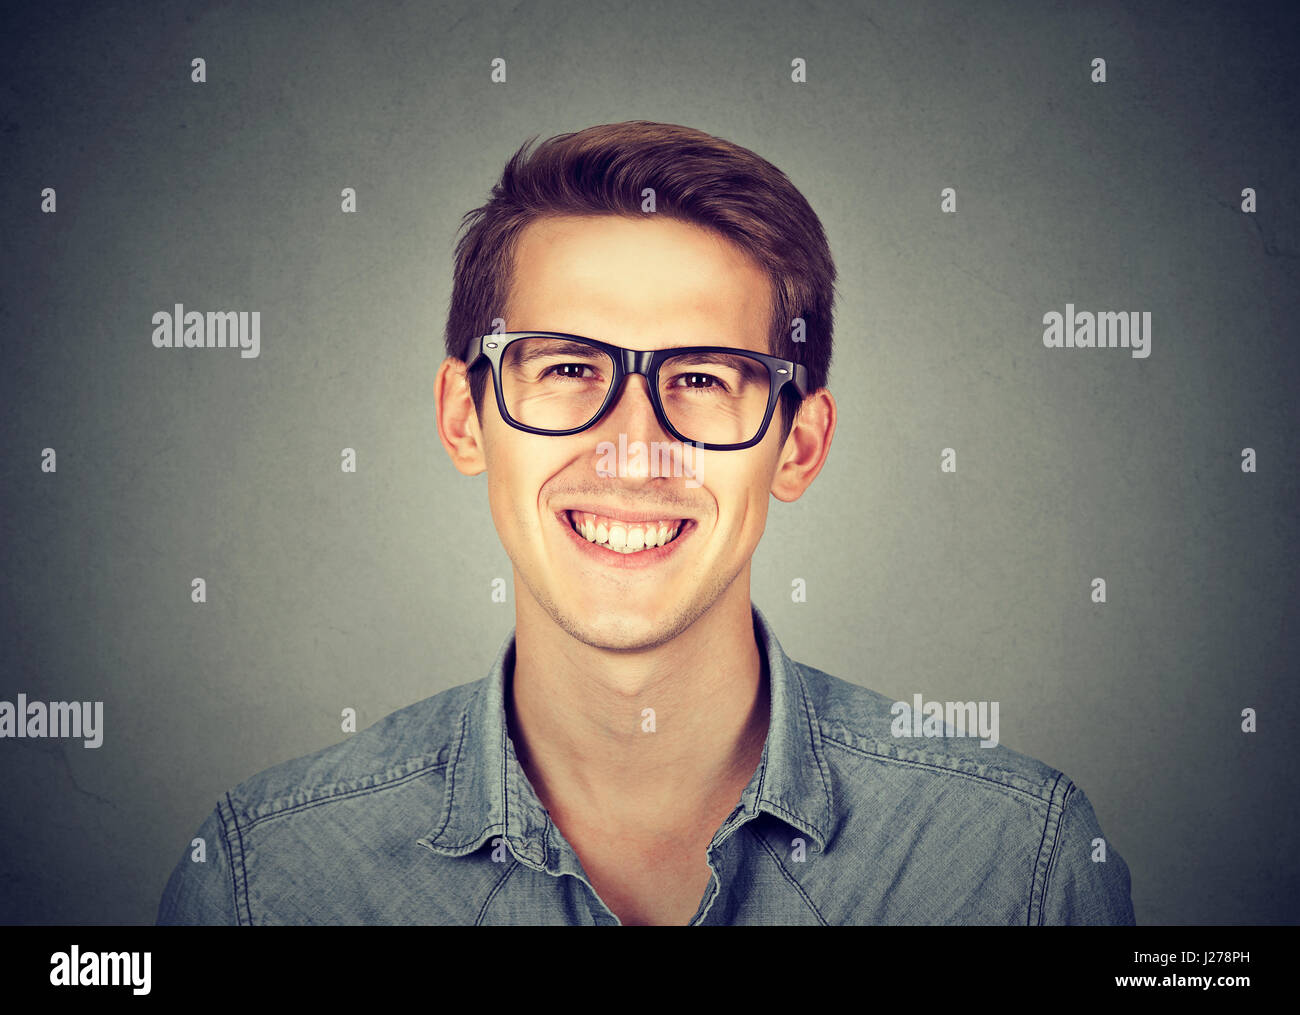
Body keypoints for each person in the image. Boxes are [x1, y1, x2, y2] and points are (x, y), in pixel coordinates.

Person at [157, 120, 1134, 925]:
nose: (633, 446)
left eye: (701, 378)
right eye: (569, 367)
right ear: (466, 417)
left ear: (796, 445)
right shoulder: (264, 876)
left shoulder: (1020, 864)